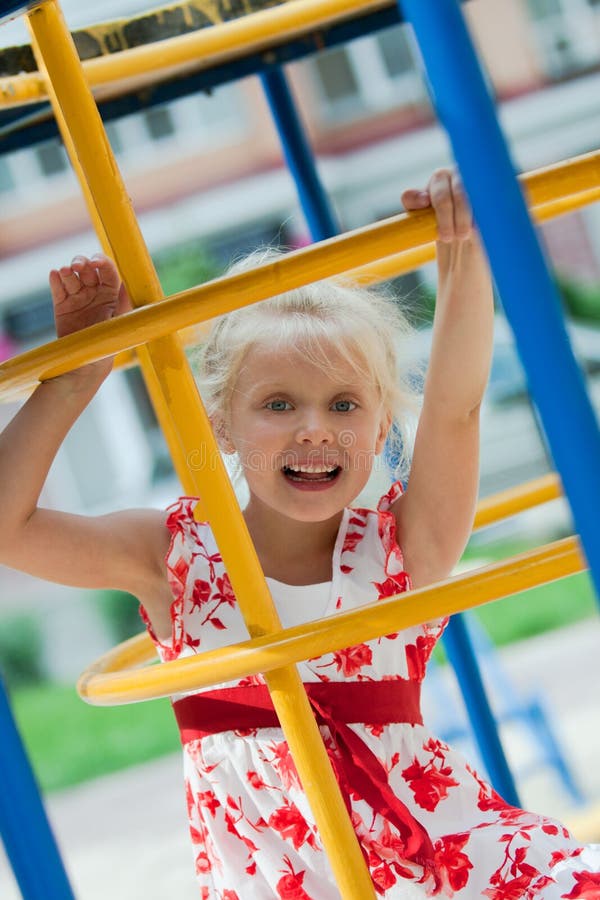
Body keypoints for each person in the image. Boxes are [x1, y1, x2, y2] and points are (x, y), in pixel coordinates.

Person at [0, 169, 598, 899]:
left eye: (344, 404)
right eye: (278, 403)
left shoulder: (405, 547)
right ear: (222, 423)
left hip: (432, 858)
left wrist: (461, 250)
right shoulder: (175, 559)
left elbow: (455, 409)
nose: (314, 428)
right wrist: (72, 379)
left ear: (381, 428)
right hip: (276, 880)